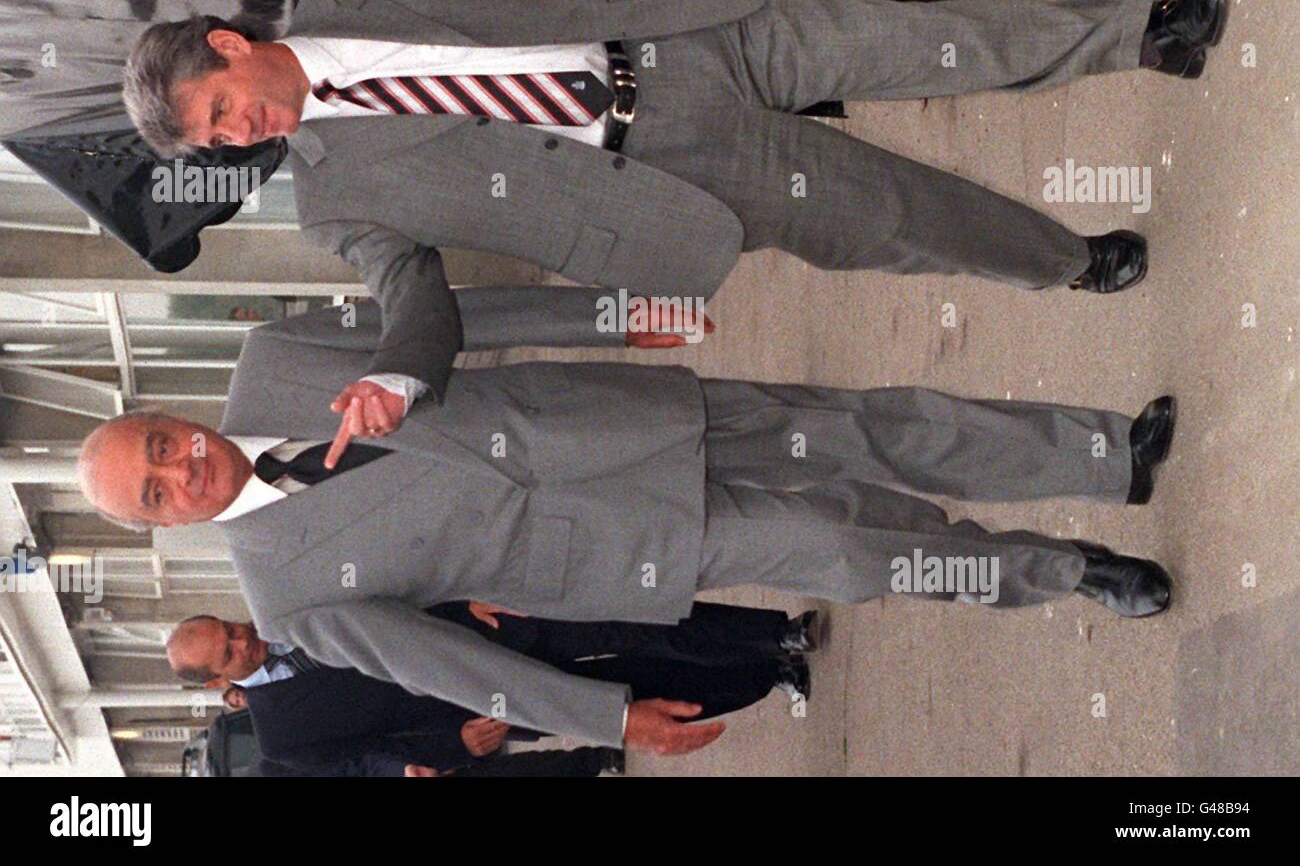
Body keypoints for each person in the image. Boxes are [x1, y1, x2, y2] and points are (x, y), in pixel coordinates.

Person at [121, 0, 1229, 417]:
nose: (238, 134)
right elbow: (417, 297)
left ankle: (1142, 32)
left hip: (677, 41)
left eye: (221, 108)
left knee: (913, 44)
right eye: (219, 141)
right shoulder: (333, 201)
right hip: (670, 175)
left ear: (230, 45)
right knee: (899, 214)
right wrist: (399, 375)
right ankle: (1065, 258)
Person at [78, 292, 1176, 755]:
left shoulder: (274, 360)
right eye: (156, 489)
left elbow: (440, 314)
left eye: (163, 442)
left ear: (172, 416)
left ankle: (1103, 452)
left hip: (617, 423)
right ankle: (1062, 569)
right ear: (162, 526)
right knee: (848, 555)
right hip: (614, 549)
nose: (184, 467)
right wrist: (601, 718)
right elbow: (444, 665)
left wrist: (609, 313)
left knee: (865, 429)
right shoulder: (287, 596)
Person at [171, 600, 814, 770]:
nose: (242, 640)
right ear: (217, 681)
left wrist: (462, 595)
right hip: (488, 707)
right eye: (228, 651)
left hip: (489, 629)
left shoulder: (295, 612)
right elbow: (374, 754)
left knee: (640, 624)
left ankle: (774, 632)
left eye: (229, 628)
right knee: (639, 692)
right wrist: (459, 745)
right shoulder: (283, 737)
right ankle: (768, 674)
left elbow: (393, 588)